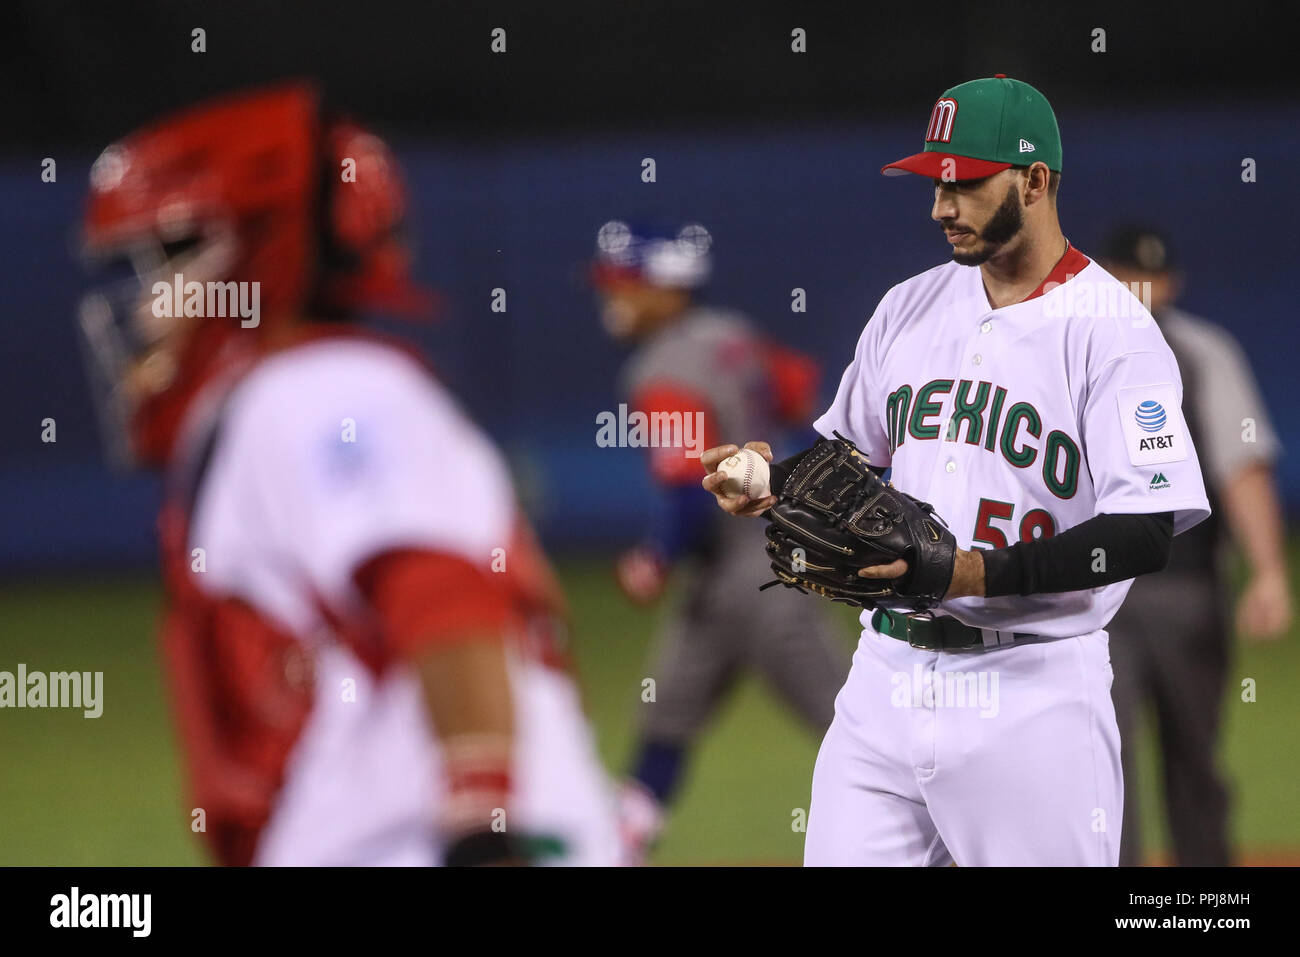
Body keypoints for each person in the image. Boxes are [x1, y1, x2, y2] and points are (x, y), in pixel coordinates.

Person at [78, 82, 618, 866]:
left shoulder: (321, 389)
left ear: (263, 243)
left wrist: (481, 820)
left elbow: (442, 588)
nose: (143, 305)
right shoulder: (275, 402)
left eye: (169, 255)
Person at [701, 75, 1212, 866]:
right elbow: (847, 461)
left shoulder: (1115, 332)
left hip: (1032, 692)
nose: (942, 205)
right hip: (884, 678)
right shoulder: (907, 307)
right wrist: (771, 478)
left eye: (965, 184)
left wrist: (973, 570)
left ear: (1034, 180)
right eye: (937, 183)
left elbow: (1145, 533)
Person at [590, 219, 850, 863]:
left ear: (670, 289)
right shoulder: (730, 334)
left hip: (754, 569)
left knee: (854, 722)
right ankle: (616, 851)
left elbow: (684, 487)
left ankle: (959, 835)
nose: (612, 295)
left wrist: (653, 561)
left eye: (628, 281)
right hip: (735, 569)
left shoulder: (663, 366)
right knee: (664, 719)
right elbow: (798, 391)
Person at [1099, 226, 1291, 866]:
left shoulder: (1203, 351)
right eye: (1130, 272)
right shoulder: (1071, 347)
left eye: (1154, 275)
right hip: (1096, 597)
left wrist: (1267, 573)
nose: (1143, 287)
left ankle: (1202, 903)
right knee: (1104, 765)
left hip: (1186, 589)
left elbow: (1243, 467)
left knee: (1195, 759)